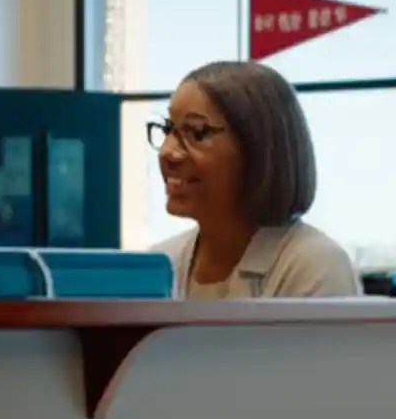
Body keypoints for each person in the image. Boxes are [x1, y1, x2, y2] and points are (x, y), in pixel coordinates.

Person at [149, 60, 361, 299]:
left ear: (259, 149)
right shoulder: (162, 262)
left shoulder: (315, 265)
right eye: (168, 129)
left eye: (196, 132)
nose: (167, 152)